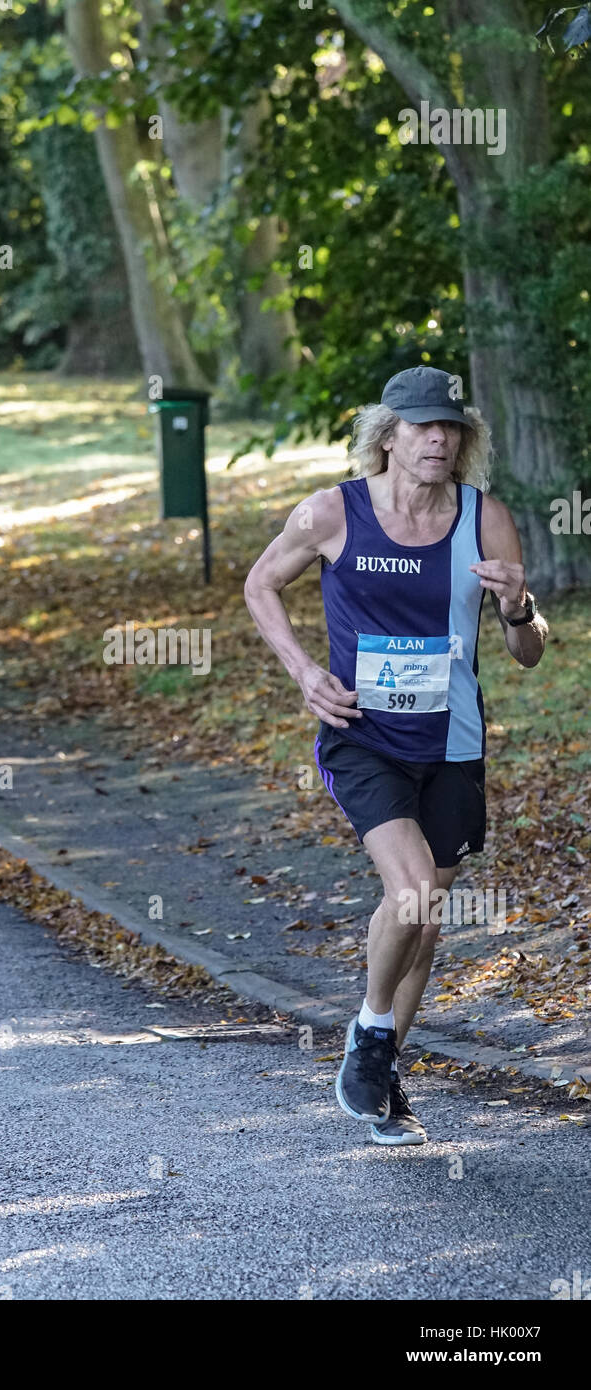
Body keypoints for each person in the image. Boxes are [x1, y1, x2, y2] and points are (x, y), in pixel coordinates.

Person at [244, 366, 548, 1145]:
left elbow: (526, 654)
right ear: (388, 436)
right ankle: (370, 1035)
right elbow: (260, 585)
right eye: (421, 426)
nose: (437, 439)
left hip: (451, 744)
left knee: (425, 920)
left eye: (449, 428)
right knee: (409, 892)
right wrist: (307, 673)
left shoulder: (484, 520)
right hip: (364, 738)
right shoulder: (330, 513)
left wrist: (518, 606)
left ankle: (380, 1073)